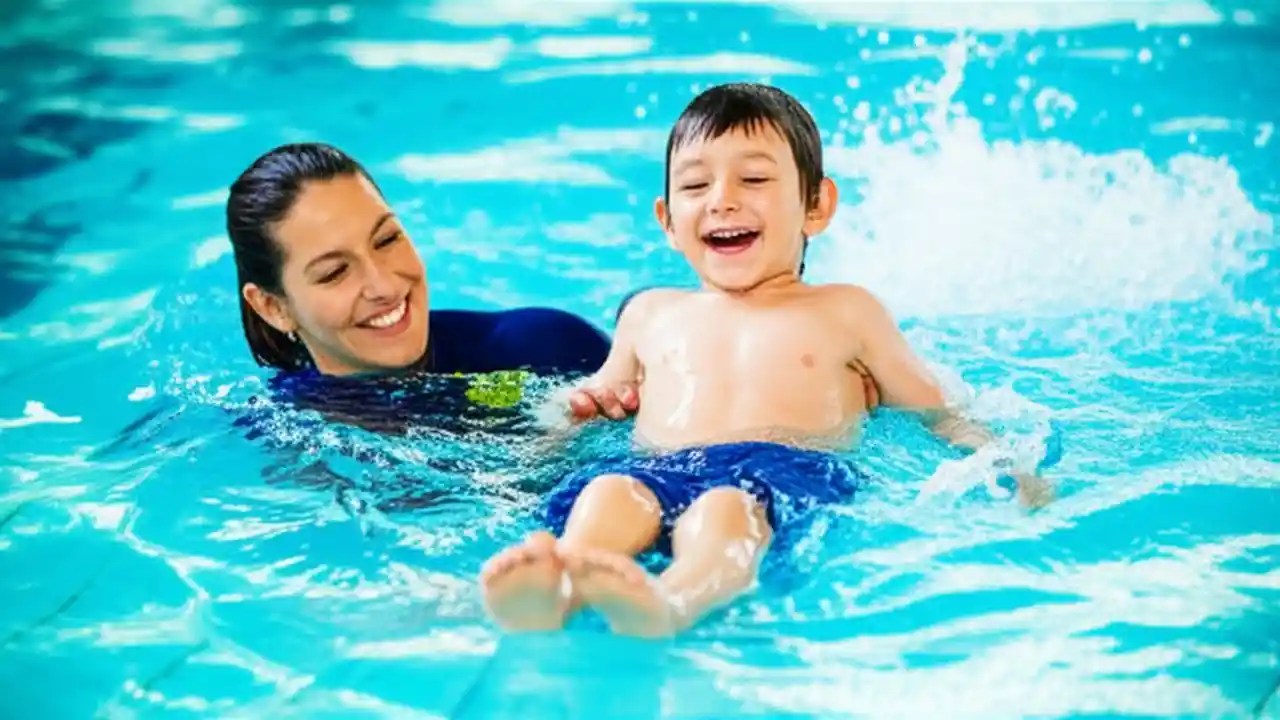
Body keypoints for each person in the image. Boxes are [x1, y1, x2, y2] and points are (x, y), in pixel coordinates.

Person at [479, 82, 1053, 638]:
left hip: (781, 473)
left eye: (753, 178)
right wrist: (567, 419)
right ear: (667, 221)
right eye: (697, 184)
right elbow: (589, 401)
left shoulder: (846, 312)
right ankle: (562, 580)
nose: (723, 199)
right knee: (606, 494)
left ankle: (673, 601)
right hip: (659, 467)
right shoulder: (650, 314)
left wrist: (1005, 462)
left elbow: (939, 411)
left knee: (725, 512)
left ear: (816, 205)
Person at [225, 142, 627, 425]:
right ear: (273, 307)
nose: (383, 285)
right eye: (334, 272)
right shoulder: (289, 436)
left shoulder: (546, 349)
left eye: (387, 240)